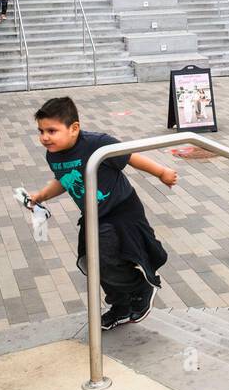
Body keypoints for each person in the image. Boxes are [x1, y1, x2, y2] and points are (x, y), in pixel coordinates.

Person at [23, 97, 176, 329]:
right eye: (41, 131)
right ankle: (121, 306)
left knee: (103, 259)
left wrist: (162, 172)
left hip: (121, 210)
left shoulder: (97, 143)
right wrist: (41, 196)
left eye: (52, 131)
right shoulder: (53, 154)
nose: (44, 137)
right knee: (90, 263)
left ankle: (140, 287)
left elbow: (131, 156)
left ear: (74, 128)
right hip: (94, 215)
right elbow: (64, 180)